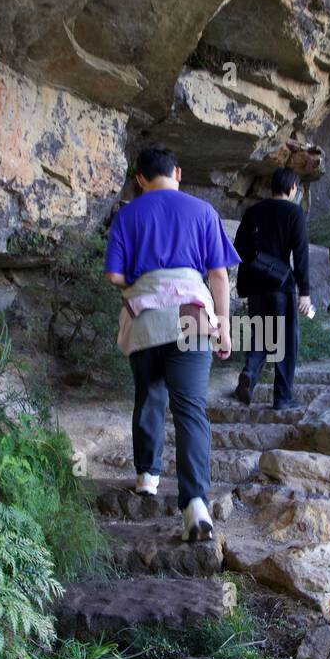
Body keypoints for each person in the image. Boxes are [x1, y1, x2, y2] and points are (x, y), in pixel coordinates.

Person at [104, 144, 240, 542]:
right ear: (177, 174)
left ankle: (147, 477)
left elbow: (114, 276)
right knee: (191, 409)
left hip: (145, 317)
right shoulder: (202, 212)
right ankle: (195, 503)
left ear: (140, 179)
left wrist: (140, 288)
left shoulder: (127, 214)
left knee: (148, 394)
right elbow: (218, 276)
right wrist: (225, 326)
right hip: (192, 314)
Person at [232, 167, 311, 410]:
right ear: (293, 187)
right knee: (286, 342)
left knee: (262, 336)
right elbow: (300, 254)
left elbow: (238, 248)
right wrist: (305, 292)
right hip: (281, 286)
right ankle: (283, 398)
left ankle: (249, 372)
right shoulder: (294, 212)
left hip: (256, 286)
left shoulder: (253, 211)